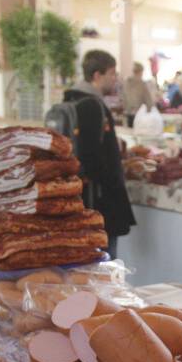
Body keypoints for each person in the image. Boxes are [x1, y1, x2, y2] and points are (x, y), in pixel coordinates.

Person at [63, 50, 135, 257]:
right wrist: (112, 182)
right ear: (97, 76)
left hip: (78, 199)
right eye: (112, 73)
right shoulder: (92, 105)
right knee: (104, 265)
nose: (116, 79)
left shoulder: (71, 101)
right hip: (99, 202)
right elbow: (91, 156)